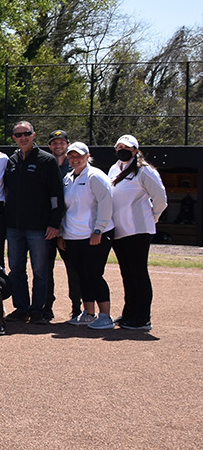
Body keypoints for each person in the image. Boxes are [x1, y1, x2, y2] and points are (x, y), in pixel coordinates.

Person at [2, 121, 65, 324]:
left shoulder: (47, 160)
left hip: (39, 228)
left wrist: (54, 223)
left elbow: (56, 196)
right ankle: (21, 308)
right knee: (16, 269)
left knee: (40, 270)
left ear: (34, 135)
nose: (23, 138)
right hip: (14, 227)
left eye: (26, 134)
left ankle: (38, 310)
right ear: (14, 138)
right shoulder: (11, 161)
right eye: (18, 135)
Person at [108, 135, 167, 331]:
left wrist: (152, 217)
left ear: (135, 150)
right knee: (127, 273)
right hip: (119, 230)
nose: (122, 150)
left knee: (138, 273)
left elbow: (160, 198)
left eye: (127, 147)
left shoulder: (144, 170)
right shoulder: (114, 168)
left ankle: (142, 318)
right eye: (119, 147)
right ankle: (129, 313)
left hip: (139, 230)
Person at [59, 142, 115, 329]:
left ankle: (105, 315)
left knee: (94, 274)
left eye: (79, 156)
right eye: (72, 156)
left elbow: (106, 204)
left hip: (94, 235)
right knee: (81, 275)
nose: (75, 159)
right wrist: (62, 233)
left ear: (87, 155)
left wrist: (98, 230)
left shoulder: (95, 176)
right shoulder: (67, 178)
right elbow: (65, 209)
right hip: (73, 236)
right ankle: (88, 313)